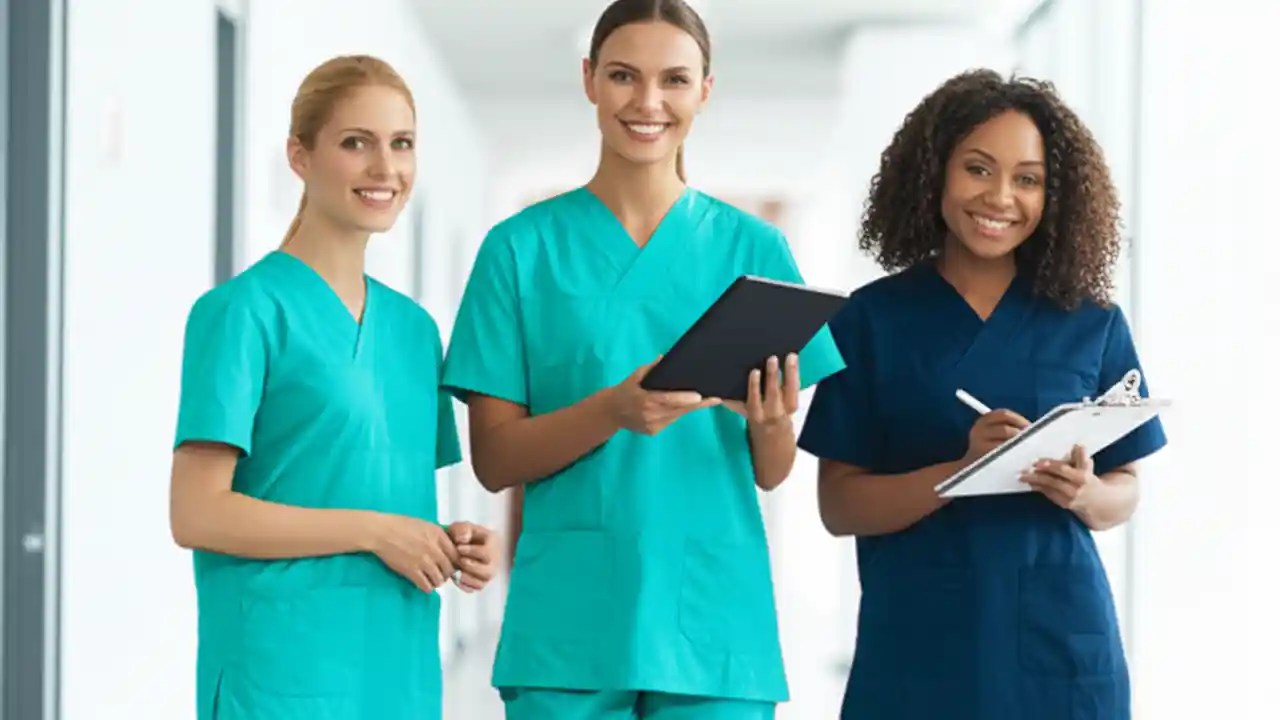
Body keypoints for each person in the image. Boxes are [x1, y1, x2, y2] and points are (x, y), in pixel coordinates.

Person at [442, 1, 845, 718]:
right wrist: (612, 410)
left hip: (712, 619)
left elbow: (772, 470)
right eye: (625, 75)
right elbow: (496, 462)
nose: (648, 101)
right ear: (589, 79)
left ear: (705, 91)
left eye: (674, 80)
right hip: (571, 619)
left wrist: (774, 421)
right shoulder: (519, 251)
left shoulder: (755, 253)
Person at [798, 69, 1168, 720]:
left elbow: (1125, 490)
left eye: (1028, 178)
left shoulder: (1091, 322)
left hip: (1062, 647)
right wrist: (960, 473)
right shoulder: (871, 320)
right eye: (977, 169)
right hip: (919, 648)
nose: (1000, 196)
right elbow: (840, 504)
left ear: (1054, 196)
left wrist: (1085, 492)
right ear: (934, 172)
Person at [168, 55, 499, 720]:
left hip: (396, 665)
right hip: (280, 669)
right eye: (357, 143)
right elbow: (197, 513)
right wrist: (377, 532)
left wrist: (443, 541)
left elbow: (371, 489)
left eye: (401, 144)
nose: (386, 169)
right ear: (300, 155)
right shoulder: (241, 312)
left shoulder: (414, 332)